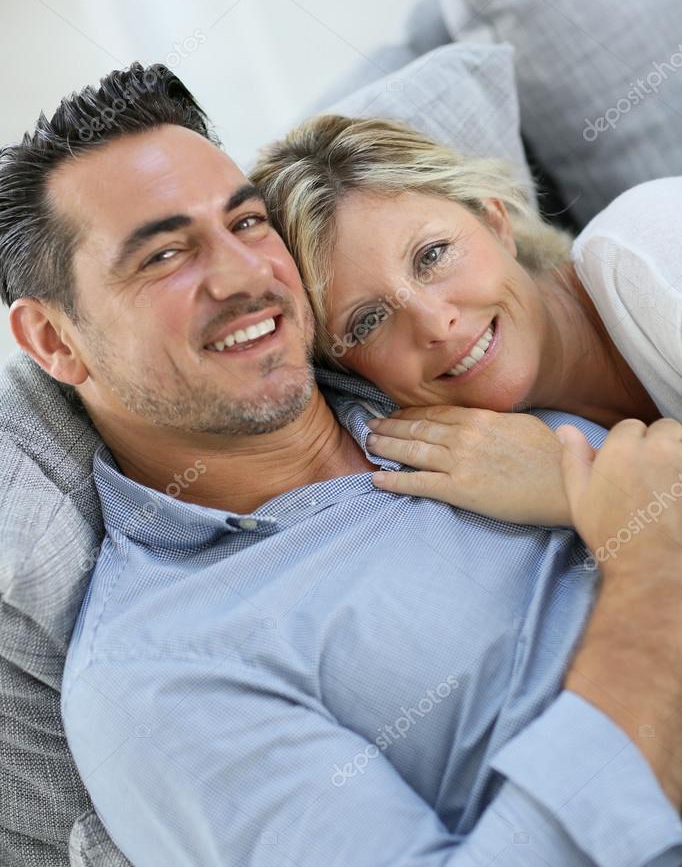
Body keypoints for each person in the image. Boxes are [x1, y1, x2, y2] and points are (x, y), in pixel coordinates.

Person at [2, 64, 682, 866]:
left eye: (246, 221)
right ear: (54, 339)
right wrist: (652, 575)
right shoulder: (159, 670)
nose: (245, 274)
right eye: (165, 255)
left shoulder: (436, 362)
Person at [251, 114, 681, 527]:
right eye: (369, 321)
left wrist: (580, 488)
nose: (436, 324)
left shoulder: (654, 251)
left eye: (432, 256)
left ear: (496, 222)